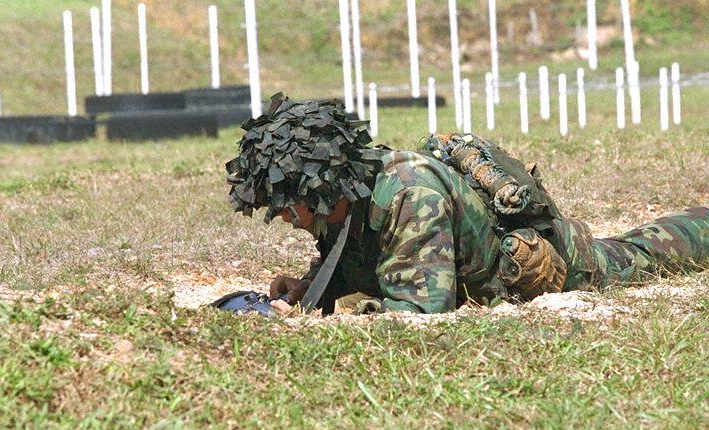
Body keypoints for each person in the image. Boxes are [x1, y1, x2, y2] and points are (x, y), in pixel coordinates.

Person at [225, 93, 709, 314]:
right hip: (482, 265)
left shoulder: (410, 196)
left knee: (648, 252)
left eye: (289, 209)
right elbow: (359, 258)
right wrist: (308, 288)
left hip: (549, 262)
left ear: (319, 189)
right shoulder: (345, 197)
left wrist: (349, 309)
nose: (288, 222)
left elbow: (423, 306)